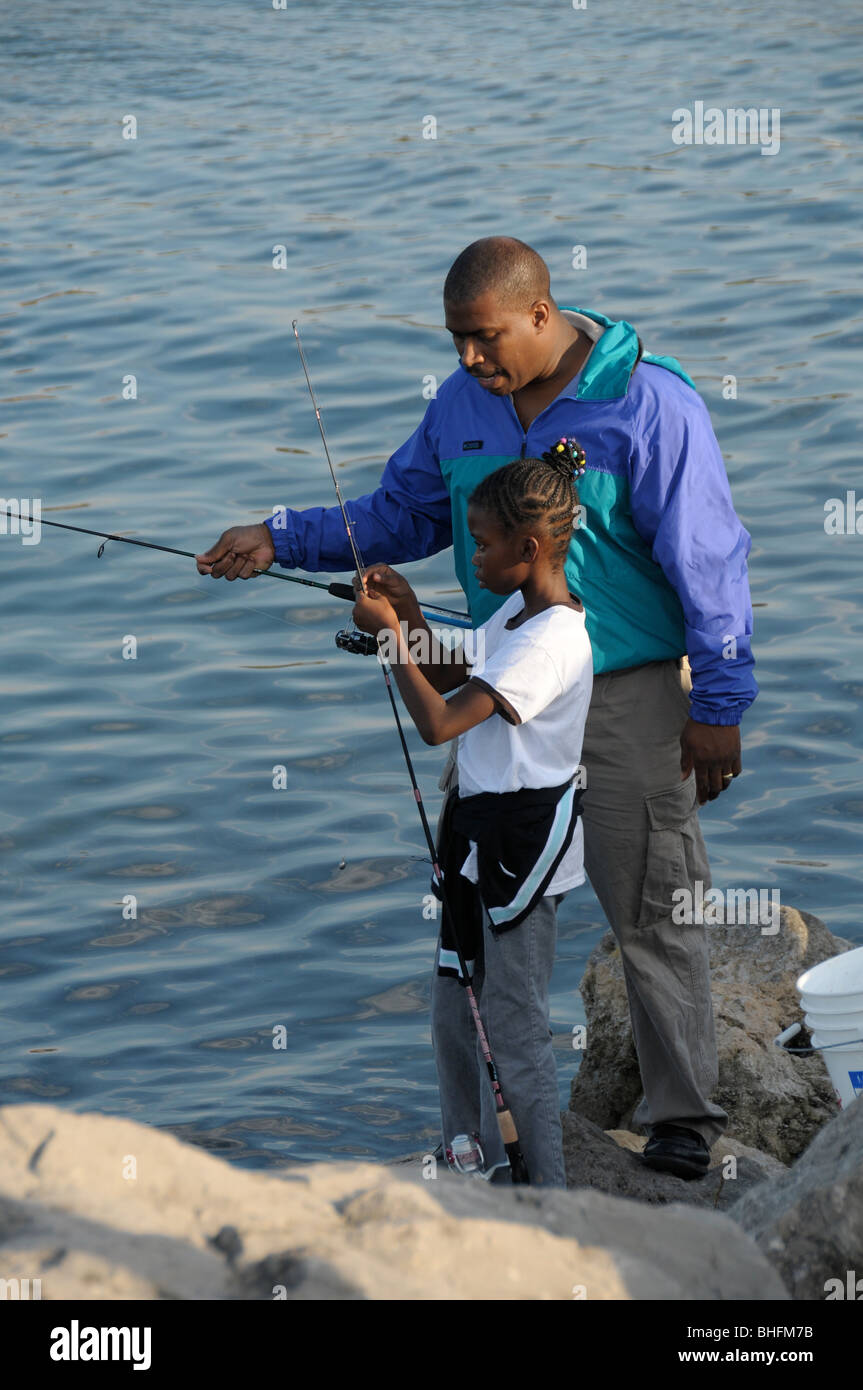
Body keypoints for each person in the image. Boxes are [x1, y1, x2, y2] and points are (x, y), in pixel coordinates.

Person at [196, 235, 758, 1181]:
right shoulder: (463, 404)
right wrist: (278, 536)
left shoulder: (649, 400)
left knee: (651, 907)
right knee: (482, 916)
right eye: (456, 340)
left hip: (626, 693)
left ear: (540, 315)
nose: (467, 360)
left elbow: (709, 558)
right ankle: (493, 1121)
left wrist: (722, 701)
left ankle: (683, 1125)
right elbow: (400, 516)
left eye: (483, 338)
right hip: (504, 692)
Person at [349, 437, 593, 1187]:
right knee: (456, 1008)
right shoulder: (516, 617)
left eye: (481, 544)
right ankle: (467, 1158)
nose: (472, 555)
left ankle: (545, 1193)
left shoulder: (554, 641)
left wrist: (392, 643)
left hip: (519, 850)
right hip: (474, 840)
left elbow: (440, 723)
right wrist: (411, 614)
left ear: (528, 546)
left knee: (513, 1028)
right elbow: (456, 666)